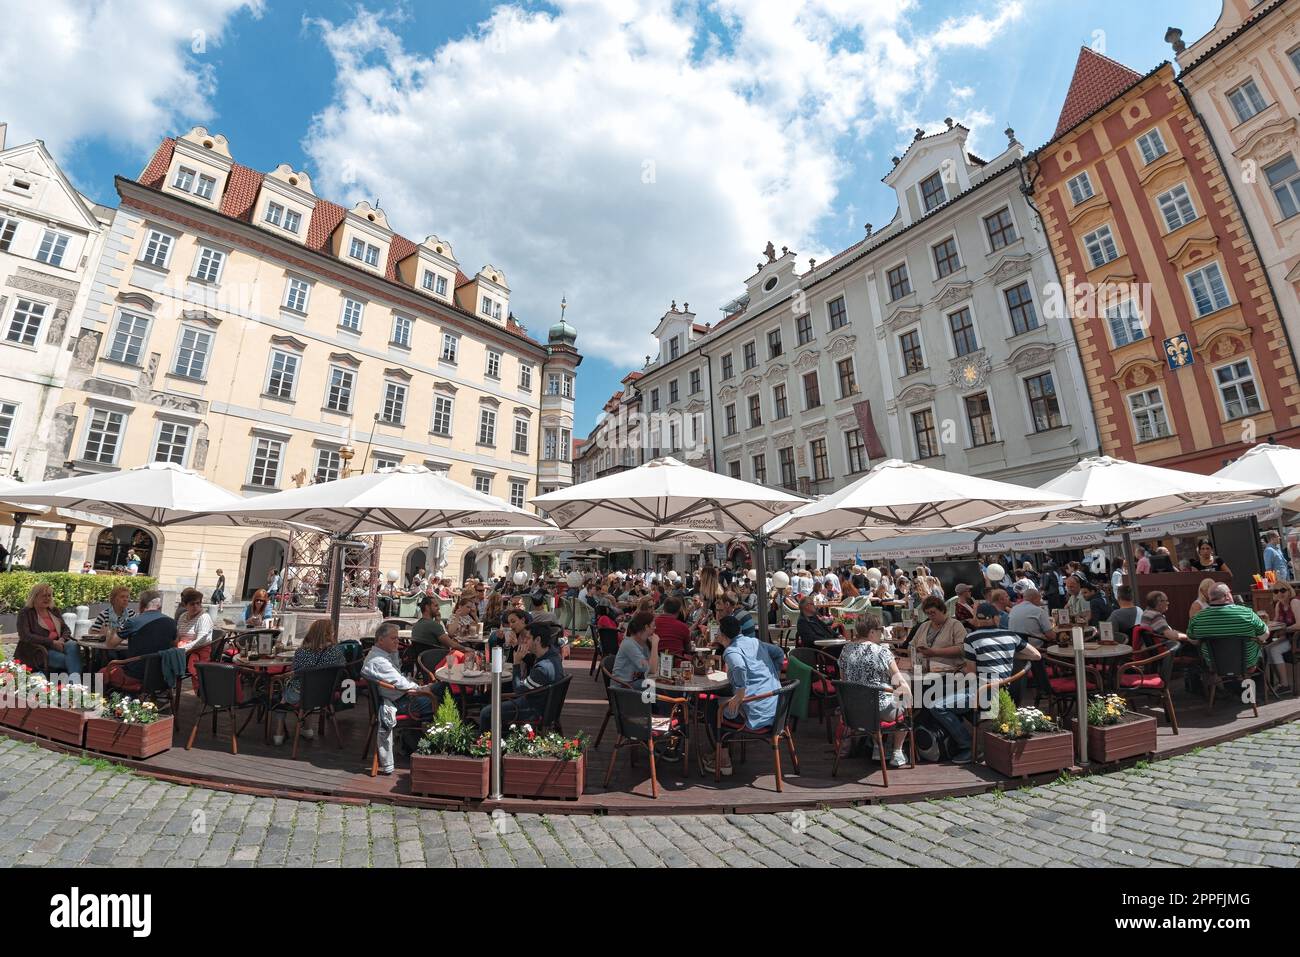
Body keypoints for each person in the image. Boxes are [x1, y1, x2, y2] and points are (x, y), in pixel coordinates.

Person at [930, 602, 1041, 764]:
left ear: (977, 620)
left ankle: (969, 747)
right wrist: (1010, 656)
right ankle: (973, 737)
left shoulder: (972, 638)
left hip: (984, 693)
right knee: (950, 696)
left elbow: (971, 673)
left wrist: (956, 671)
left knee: (937, 705)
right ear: (996, 618)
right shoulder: (1011, 635)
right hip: (1005, 690)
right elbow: (1036, 655)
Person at [701, 608, 783, 776]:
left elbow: (738, 666)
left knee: (711, 709)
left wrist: (739, 694)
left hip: (755, 714)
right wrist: (773, 676)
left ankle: (723, 760)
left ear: (722, 635)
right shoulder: (754, 642)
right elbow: (780, 653)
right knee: (724, 702)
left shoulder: (731, 651)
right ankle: (721, 752)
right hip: (776, 708)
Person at [361, 622, 439, 774]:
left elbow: (399, 677)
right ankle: (436, 749)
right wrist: (424, 688)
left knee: (441, 691)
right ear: (380, 640)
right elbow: (401, 683)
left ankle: (412, 742)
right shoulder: (379, 662)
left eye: (397, 638)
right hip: (400, 704)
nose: (397, 641)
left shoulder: (382, 655)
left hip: (399, 698)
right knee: (443, 698)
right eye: (393, 638)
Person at [836, 614, 911, 767]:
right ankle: (897, 752)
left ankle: (879, 747)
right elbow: (899, 681)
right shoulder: (882, 651)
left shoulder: (846, 649)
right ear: (871, 632)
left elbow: (843, 681)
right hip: (878, 710)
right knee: (905, 701)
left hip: (852, 712)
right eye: (880, 630)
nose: (881, 633)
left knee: (876, 702)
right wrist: (906, 691)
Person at [271, 619, 346, 745]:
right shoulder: (336, 652)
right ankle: (307, 729)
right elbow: (343, 666)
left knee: (282, 695)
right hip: (325, 695)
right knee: (309, 687)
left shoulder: (301, 652)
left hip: (300, 695)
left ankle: (279, 733)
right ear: (329, 633)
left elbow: (295, 671)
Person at [483, 622, 565, 730]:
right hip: (544, 705)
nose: (524, 641)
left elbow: (518, 690)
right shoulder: (553, 656)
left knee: (486, 712)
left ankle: (484, 743)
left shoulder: (542, 668)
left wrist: (516, 663)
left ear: (538, 640)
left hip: (532, 709)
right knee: (493, 703)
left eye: (528, 638)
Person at [103, 590, 178, 691]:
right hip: (162, 676)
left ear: (141, 605)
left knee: (99, 672)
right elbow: (174, 646)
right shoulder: (172, 622)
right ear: (159, 606)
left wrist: (109, 630)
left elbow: (110, 645)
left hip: (135, 675)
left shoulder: (133, 622)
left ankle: (90, 702)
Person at [1187, 583, 1266, 676]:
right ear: (1227, 596)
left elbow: (1193, 641)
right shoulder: (1247, 614)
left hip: (1216, 666)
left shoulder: (1197, 618)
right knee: (1265, 649)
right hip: (1247, 665)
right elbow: (1265, 635)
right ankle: (1255, 686)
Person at [16, 583, 83, 677]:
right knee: (70, 660)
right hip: (39, 649)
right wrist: (51, 642)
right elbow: (25, 636)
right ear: (34, 597)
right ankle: (75, 684)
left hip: (59, 644)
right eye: (44, 596)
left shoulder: (54, 610)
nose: (47, 598)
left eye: (49, 595)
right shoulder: (25, 613)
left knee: (73, 645)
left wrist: (61, 640)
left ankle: (74, 683)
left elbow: (66, 629)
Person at [912, 595, 968, 673]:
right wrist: (918, 650)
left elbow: (962, 649)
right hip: (925, 670)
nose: (930, 616)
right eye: (928, 613)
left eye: (933, 612)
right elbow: (912, 646)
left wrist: (934, 652)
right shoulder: (924, 626)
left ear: (942, 610)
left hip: (950, 672)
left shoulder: (955, 625)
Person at [1266, 581, 1299, 692]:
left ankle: (1285, 684)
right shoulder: (1279, 605)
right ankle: (1279, 682)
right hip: (1287, 637)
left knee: (1274, 650)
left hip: (1297, 638)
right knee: (1267, 648)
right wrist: (1265, 625)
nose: (1280, 593)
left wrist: (1284, 629)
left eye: (1282, 590)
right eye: (1276, 591)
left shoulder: (1294, 602)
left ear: (1289, 590)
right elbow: (1276, 621)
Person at [612, 611, 657, 690]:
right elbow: (651, 669)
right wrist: (655, 645)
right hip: (623, 687)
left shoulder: (644, 643)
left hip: (634, 682)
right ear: (646, 627)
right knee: (655, 687)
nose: (655, 628)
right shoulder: (629, 644)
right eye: (653, 625)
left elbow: (655, 666)